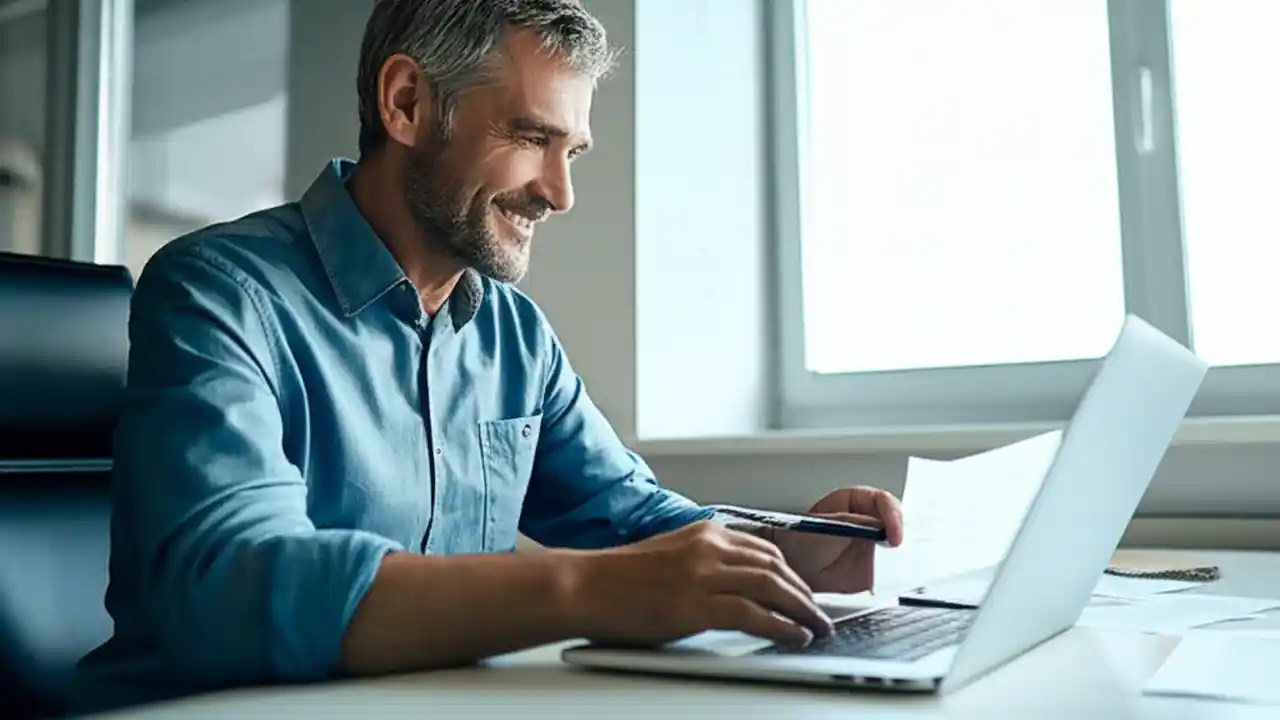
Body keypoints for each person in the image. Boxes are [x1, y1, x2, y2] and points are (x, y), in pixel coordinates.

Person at [77, 0, 904, 710]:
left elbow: (635, 523)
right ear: (406, 105)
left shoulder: (514, 335)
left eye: (570, 151)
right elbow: (232, 585)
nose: (560, 191)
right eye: (530, 136)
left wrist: (791, 551)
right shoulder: (218, 290)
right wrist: (586, 590)